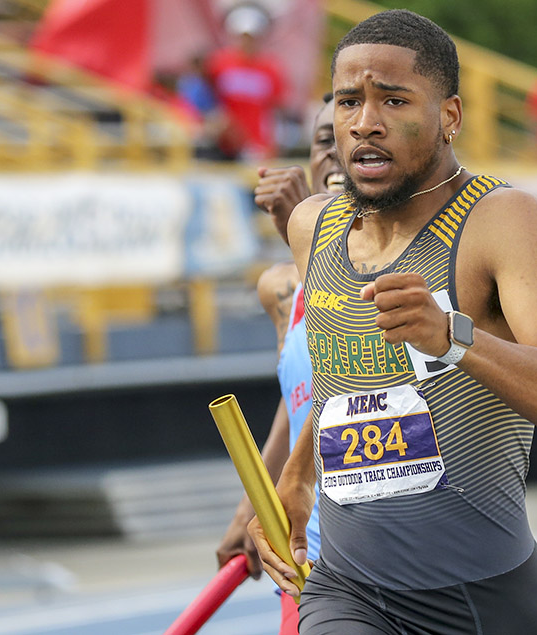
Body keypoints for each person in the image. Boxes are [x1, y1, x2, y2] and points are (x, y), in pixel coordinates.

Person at [247, 10, 537, 634]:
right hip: (349, 590)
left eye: (393, 100)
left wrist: (452, 338)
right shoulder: (313, 226)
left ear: (449, 116)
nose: (364, 123)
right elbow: (342, 381)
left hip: (484, 599)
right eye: (348, 101)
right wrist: (296, 477)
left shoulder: (504, 221)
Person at [215, 94, 343, 635]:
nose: (338, 152)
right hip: (303, 553)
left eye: (356, 136)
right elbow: (296, 408)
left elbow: (359, 355)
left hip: (384, 548)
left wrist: (302, 227)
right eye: (323, 140)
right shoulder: (281, 287)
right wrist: (249, 511)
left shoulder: (413, 259)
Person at [206, 4, 286, 160]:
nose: (247, 42)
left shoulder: (271, 68)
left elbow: (276, 111)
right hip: (223, 144)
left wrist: (274, 145)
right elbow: (208, 100)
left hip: (256, 146)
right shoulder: (218, 64)